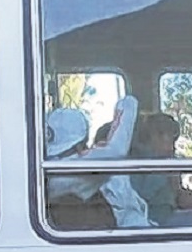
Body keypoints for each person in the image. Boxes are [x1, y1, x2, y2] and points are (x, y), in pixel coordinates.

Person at [46, 96, 151, 230]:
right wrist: (126, 103)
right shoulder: (71, 170)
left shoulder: (50, 168)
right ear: (80, 145)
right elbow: (116, 150)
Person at [130, 112, 192, 227]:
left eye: (172, 137)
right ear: (151, 137)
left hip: (171, 214)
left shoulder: (170, 162)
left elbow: (178, 194)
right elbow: (139, 196)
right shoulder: (135, 162)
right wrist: (163, 172)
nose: (171, 143)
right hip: (151, 220)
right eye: (163, 135)